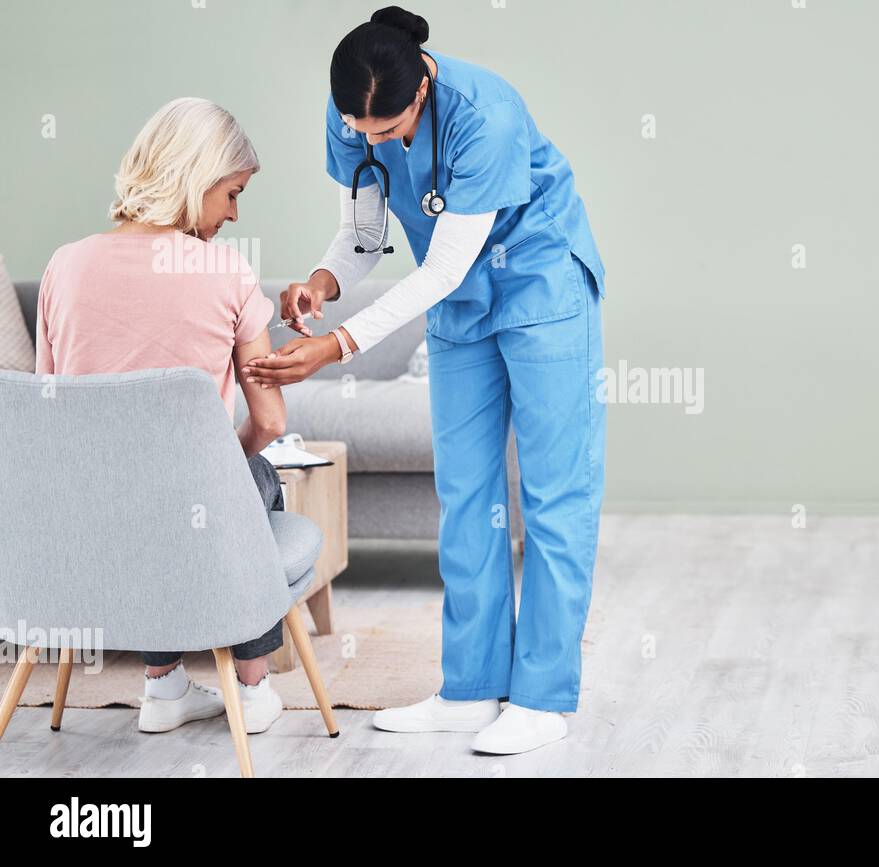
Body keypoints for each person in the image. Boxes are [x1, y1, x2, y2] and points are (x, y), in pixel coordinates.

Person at [242, 5, 607, 754]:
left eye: (388, 128)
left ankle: (541, 696)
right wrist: (322, 281)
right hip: (462, 309)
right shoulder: (355, 113)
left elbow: (442, 265)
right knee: (466, 495)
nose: (372, 141)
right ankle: (470, 690)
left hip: (539, 288)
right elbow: (366, 234)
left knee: (552, 491)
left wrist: (335, 347)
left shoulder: (486, 116)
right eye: (359, 131)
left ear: (421, 90)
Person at [34, 97, 290, 735]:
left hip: (86, 515)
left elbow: (48, 408)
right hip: (191, 514)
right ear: (196, 178)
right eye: (232, 193)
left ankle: (164, 684)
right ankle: (253, 687)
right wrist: (217, 461)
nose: (234, 213)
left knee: (141, 498)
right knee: (255, 482)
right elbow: (271, 423)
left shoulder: (63, 264)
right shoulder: (228, 271)